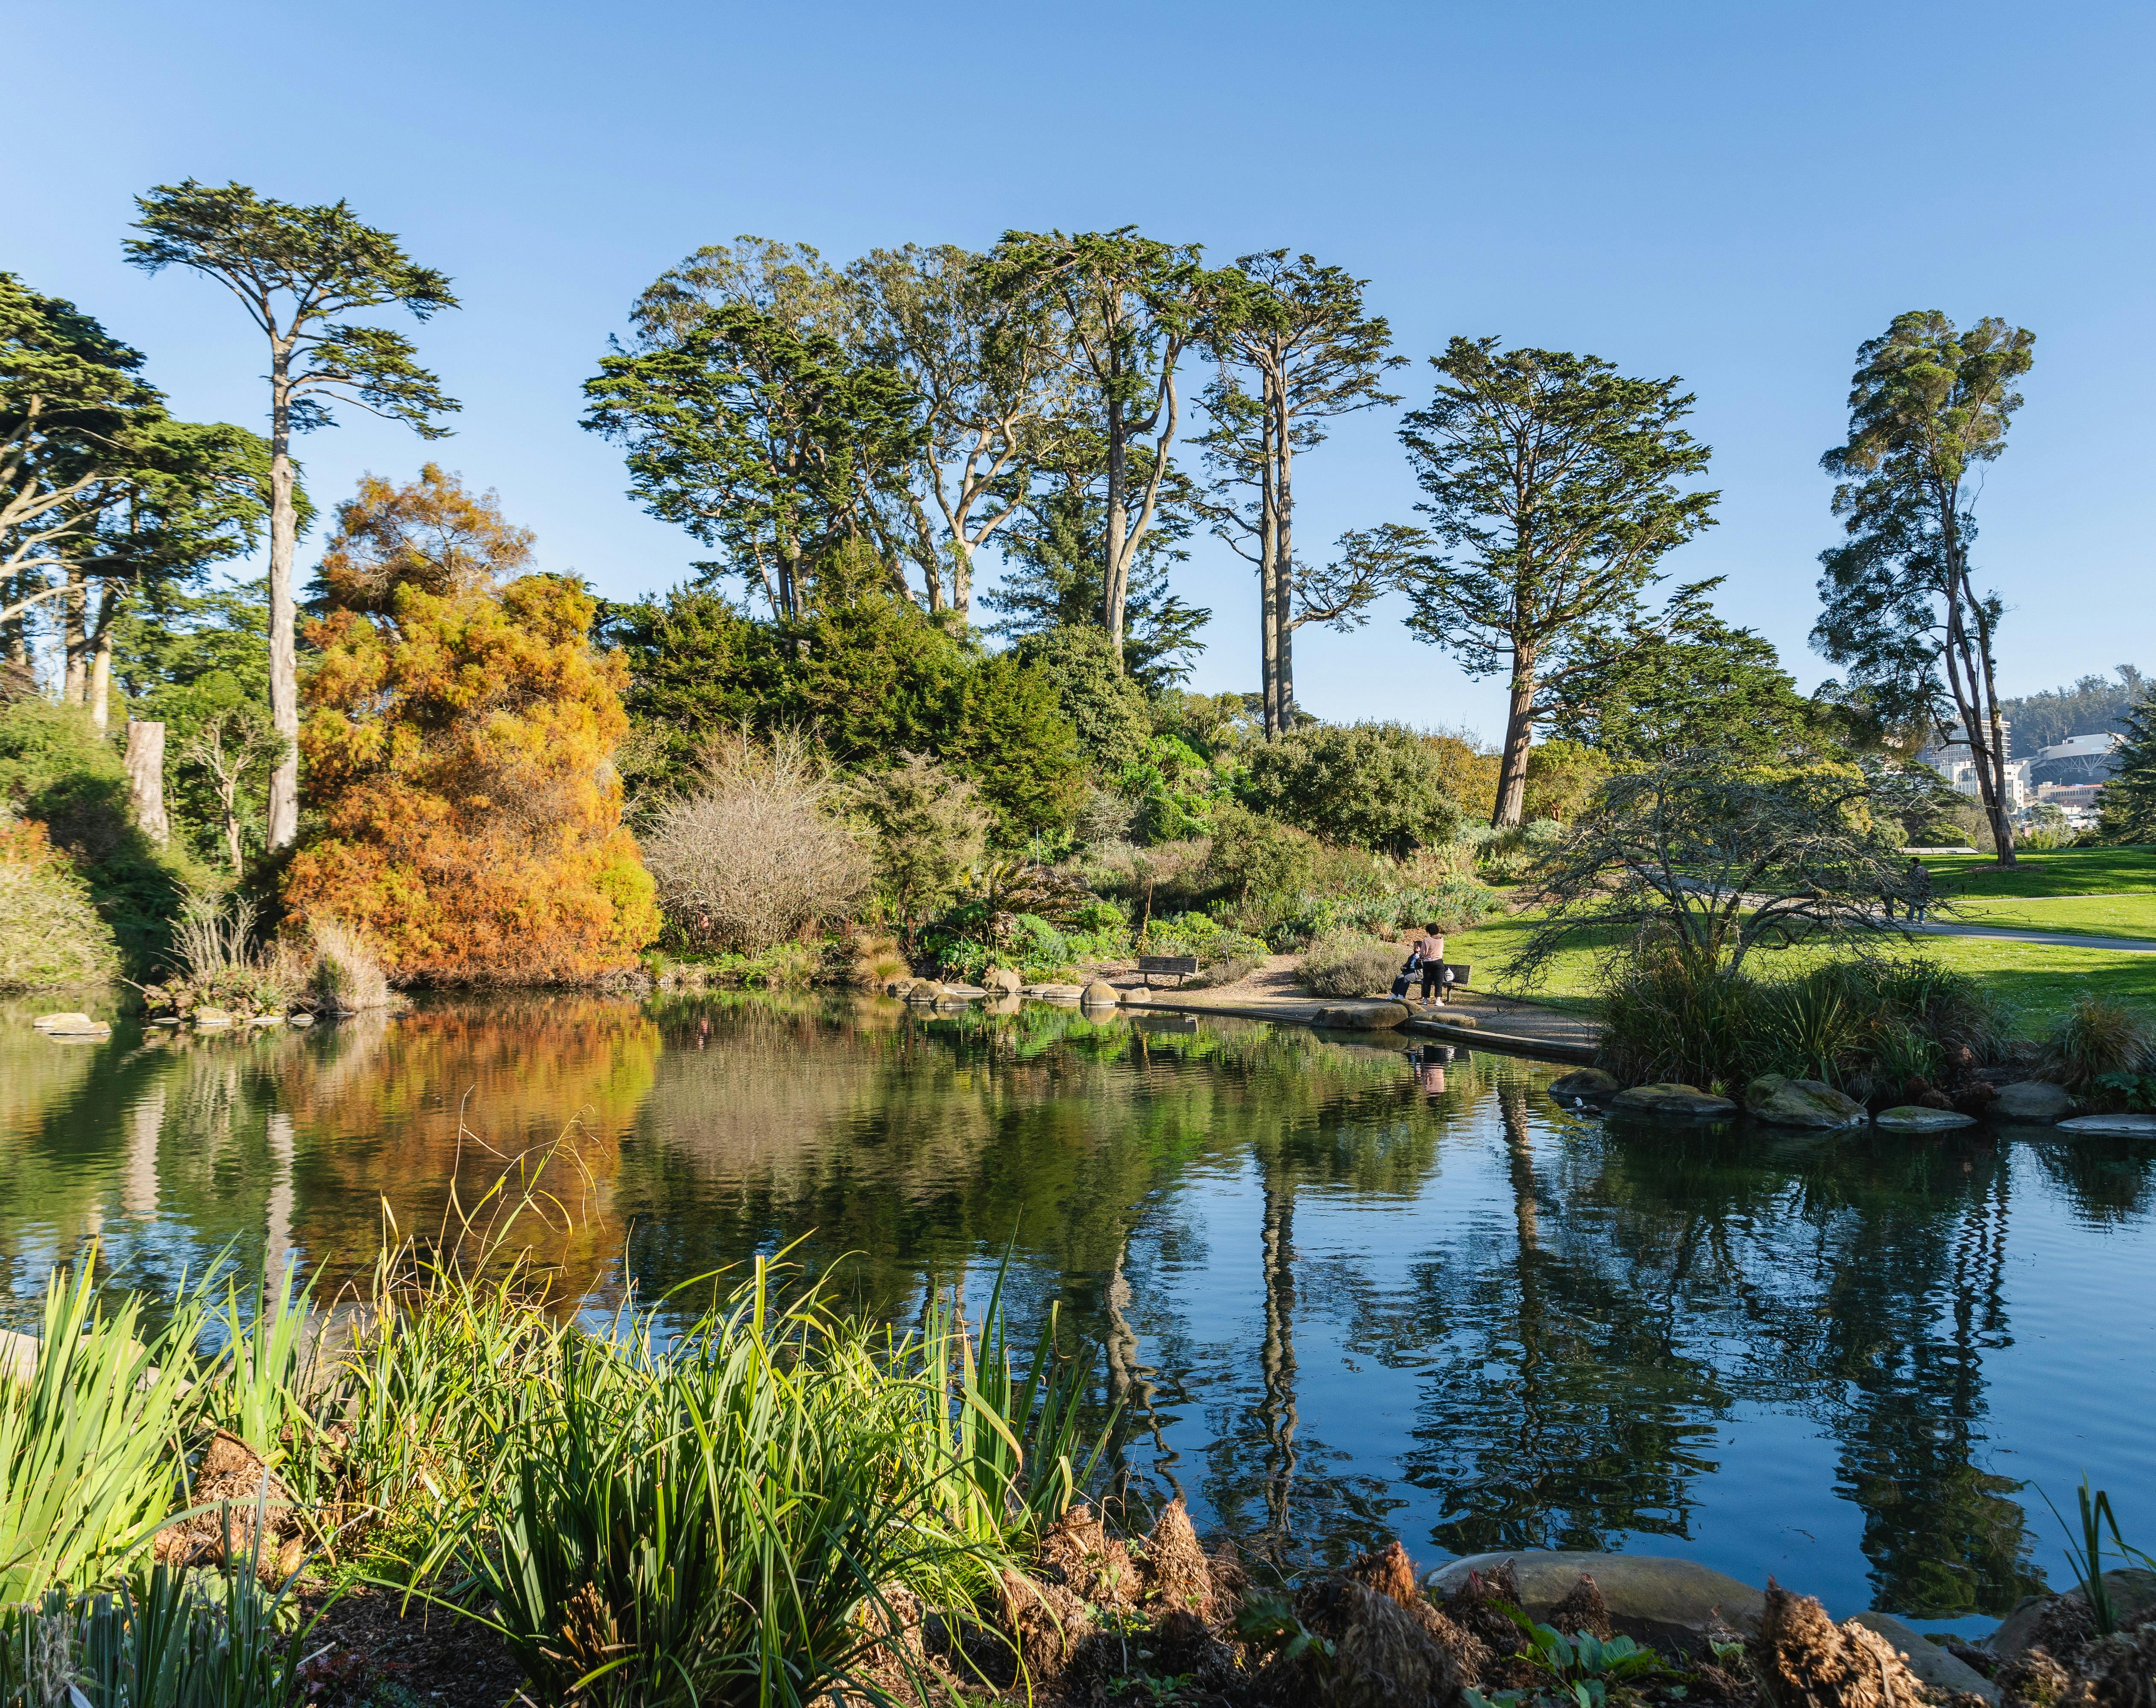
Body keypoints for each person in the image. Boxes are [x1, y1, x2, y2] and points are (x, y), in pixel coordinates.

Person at [1413, 920, 1448, 1005]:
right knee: (1438, 981)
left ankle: (1425, 1000)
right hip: (1439, 962)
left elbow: (1424, 953)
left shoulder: (1427, 940)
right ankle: (1438, 1000)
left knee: (1427, 981)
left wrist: (1423, 953)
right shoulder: (1441, 939)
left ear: (1428, 930)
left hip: (1428, 962)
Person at [1907, 857, 1933, 924]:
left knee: (1912, 904)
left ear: (1913, 862)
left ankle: (1911, 918)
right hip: (1924, 890)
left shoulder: (1912, 871)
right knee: (1922, 904)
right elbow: (1929, 880)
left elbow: (1908, 880)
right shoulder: (1925, 870)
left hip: (1914, 890)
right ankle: (1921, 919)